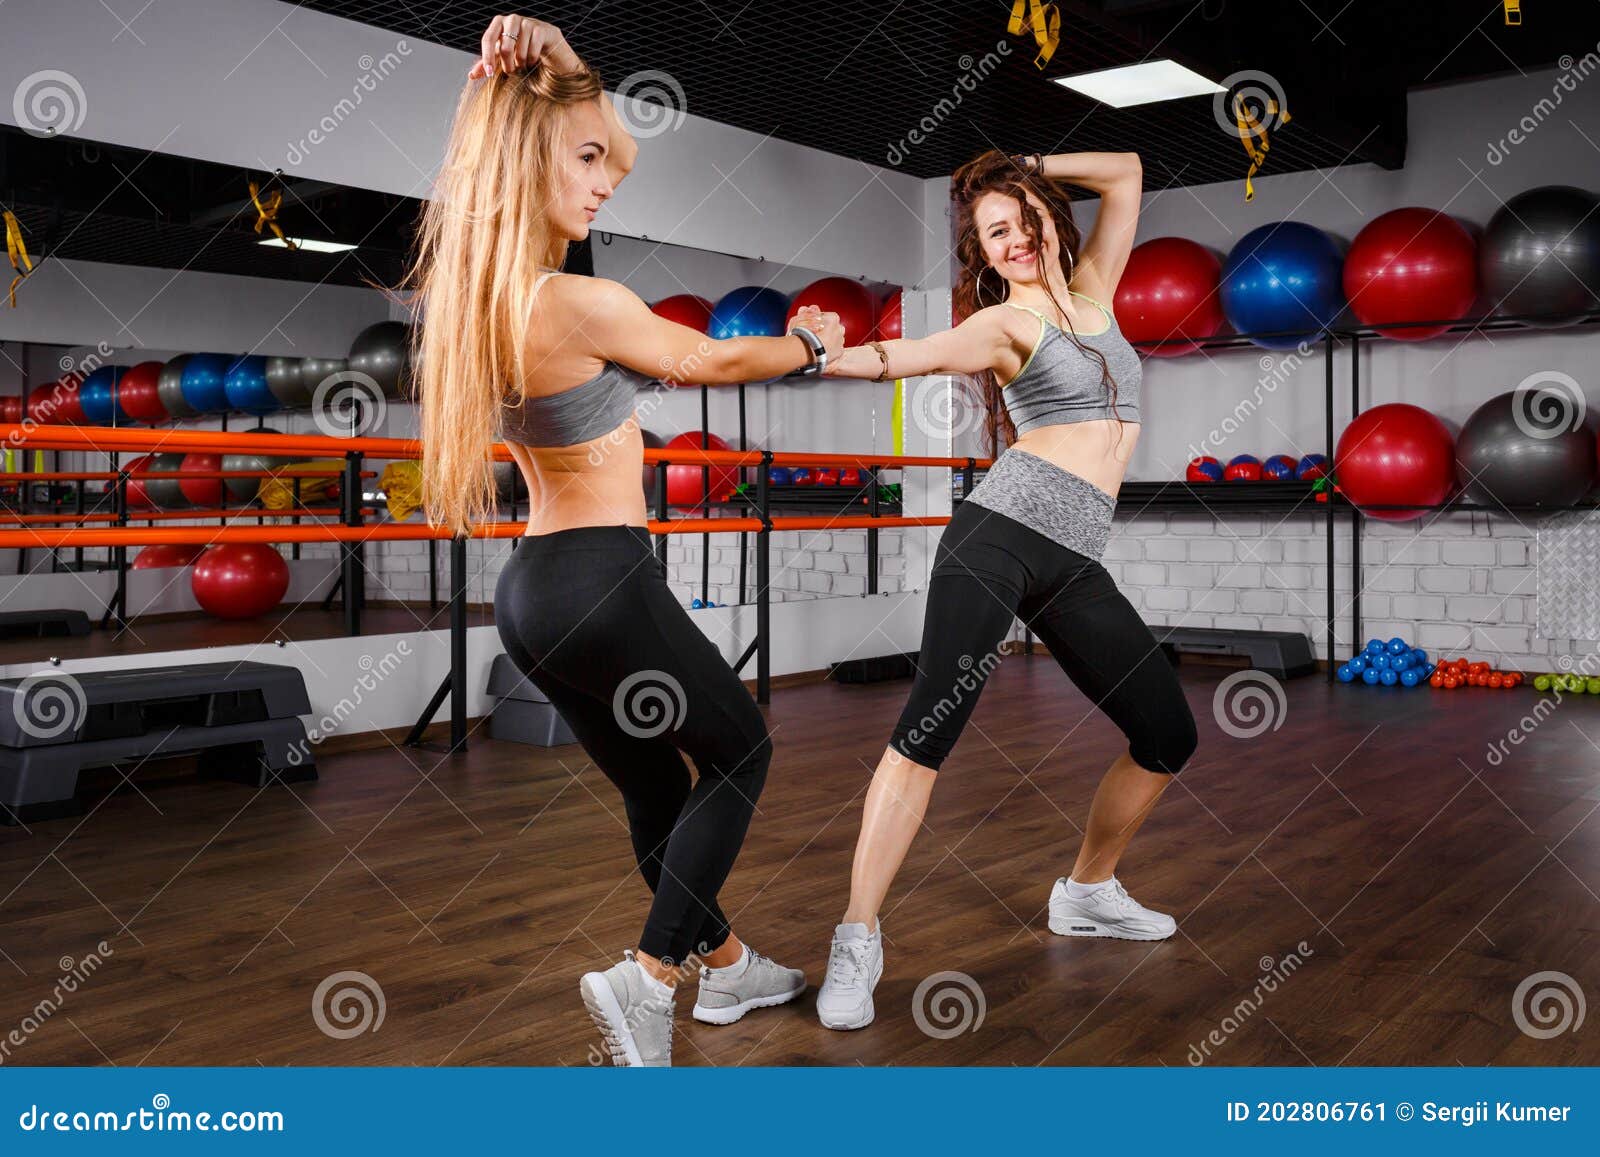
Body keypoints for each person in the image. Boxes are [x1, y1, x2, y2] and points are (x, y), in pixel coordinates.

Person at [412, 14, 845, 1066]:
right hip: (601, 574)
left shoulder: (473, 304)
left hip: (534, 594)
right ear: (526, 160)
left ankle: (729, 965)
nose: (610, 177)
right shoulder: (573, 298)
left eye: (607, 160)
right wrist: (810, 346)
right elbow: (704, 360)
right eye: (586, 158)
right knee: (741, 748)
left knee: (659, 788)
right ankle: (649, 979)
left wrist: (558, 63)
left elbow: (619, 144)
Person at [813, 148, 1198, 1030]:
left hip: (1074, 556)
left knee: (1168, 731)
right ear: (982, 255)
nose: (1016, 239)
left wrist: (1022, 165)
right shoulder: (1003, 324)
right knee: (928, 731)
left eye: (1024, 219)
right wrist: (815, 356)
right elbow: (899, 358)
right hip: (997, 538)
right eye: (995, 233)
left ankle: (1087, 891)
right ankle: (857, 936)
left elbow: (1133, 171)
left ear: (1049, 220)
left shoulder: (1098, 285)